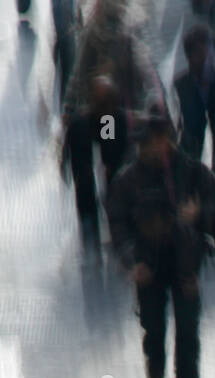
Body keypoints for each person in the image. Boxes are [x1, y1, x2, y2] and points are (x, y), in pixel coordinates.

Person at [106, 109, 215, 378]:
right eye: (147, 143)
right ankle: (156, 371)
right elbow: (118, 224)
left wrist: (200, 216)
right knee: (153, 325)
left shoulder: (192, 173)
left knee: (188, 334)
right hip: (149, 266)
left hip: (185, 265)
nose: (152, 148)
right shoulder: (128, 181)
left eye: (157, 141)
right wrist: (132, 260)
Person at [60, 0, 163, 259]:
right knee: (90, 175)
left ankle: (114, 226)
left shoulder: (129, 35)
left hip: (116, 117)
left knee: (114, 171)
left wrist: (152, 103)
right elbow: (78, 74)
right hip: (96, 114)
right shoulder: (92, 37)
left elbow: (145, 71)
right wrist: (70, 108)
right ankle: (92, 232)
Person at [174, 23, 215, 201]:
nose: (207, 60)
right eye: (200, 55)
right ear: (189, 57)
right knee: (190, 151)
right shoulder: (180, 86)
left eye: (210, 53)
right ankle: (191, 193)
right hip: (192, 131)